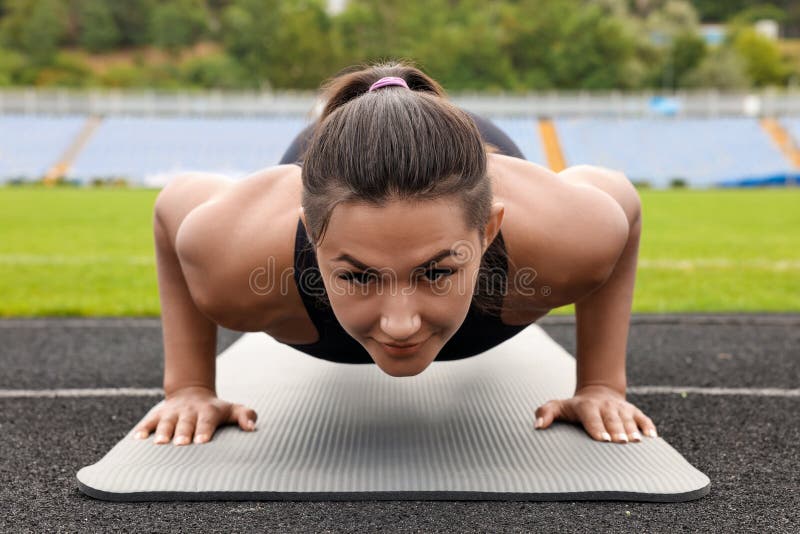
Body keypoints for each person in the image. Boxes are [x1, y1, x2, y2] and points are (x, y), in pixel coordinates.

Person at [136, 61, 657, 449]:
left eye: (437, 271)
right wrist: (189, 387)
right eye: (359, 277)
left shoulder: (564, 237)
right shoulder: (236, 256)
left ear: (489, 229)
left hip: (476, 164)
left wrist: (601, 384)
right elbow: (171, 208)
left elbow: (623, 204)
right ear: (310, 236)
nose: (401, 323)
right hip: (322, 162)